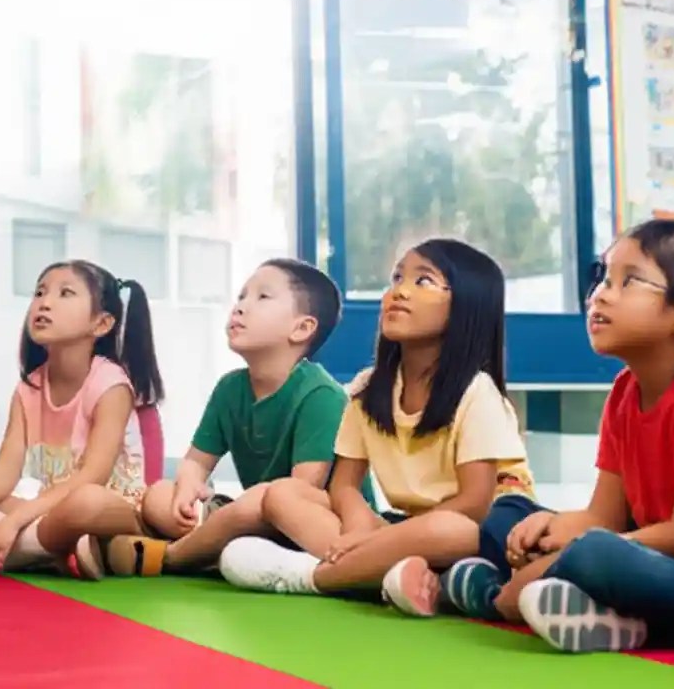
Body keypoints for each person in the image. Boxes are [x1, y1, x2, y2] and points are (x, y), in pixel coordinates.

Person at [449, 220, 674, 653]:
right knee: (509, 515)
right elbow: (603, 516)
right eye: (604, 277)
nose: (601, 294)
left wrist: (571, 551)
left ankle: (499, 597)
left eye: (629, 281)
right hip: (655, 554)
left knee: (594, 556)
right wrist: (550, 528)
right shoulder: (626, 391)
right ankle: (592, 611)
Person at [219, 239, 534, 617]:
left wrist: (383, 539)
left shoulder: (475, 391)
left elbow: (474, 502)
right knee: (283, 495)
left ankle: (313, 577)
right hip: (408, 526)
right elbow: (345, 485)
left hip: (484, 528)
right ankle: (390, 573)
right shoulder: (368, 389)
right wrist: (356, 531)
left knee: (446, 531)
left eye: (423, 281)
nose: (399, 290)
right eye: (397, 277)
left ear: (466, 306)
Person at [64, 259, 362, 579]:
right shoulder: (230, 388)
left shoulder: (320, 395)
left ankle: (172, 557)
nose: (241, 307)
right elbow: (196, 462)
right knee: (159, 496)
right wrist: (187, 492)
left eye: (262, 297)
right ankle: (209, 547)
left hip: (310, 518)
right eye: (241, 297)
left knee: (266, 497)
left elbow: (302, 488)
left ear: (302, 328)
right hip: (250, 514)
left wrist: (234, 512)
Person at [0, 260, 164, 576]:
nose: (45, 302)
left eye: (65, 293)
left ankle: (18, 549)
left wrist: (14, 521)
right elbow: (6, 468)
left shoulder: (111, 384)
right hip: (52, 510)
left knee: (85, 501)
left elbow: (91, 477)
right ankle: (57, 548)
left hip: (112, 508)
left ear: (101, 324)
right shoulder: (28, 388)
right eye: (40, 292)